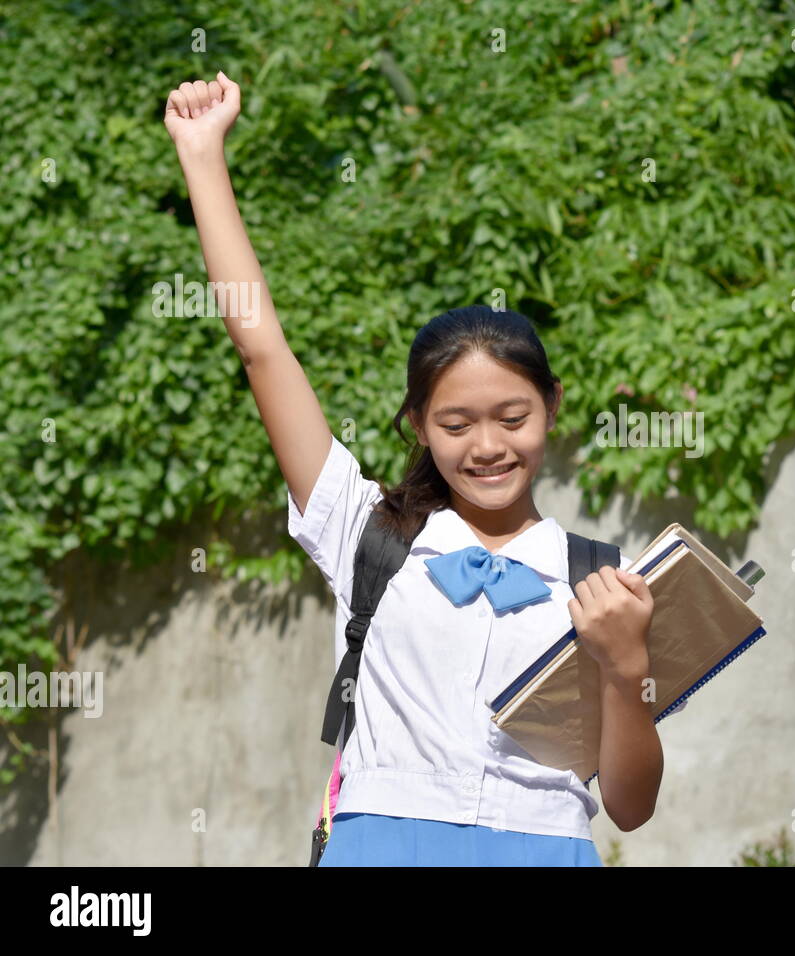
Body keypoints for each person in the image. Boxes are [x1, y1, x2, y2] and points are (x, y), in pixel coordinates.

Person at [163, 73, 684, 865]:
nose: (487, 447)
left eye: (513, 418)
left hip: (543, 849)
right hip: (381, 846)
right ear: (416, 425)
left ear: (552, 407)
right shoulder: (365, 531)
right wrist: (202, 156)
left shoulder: (602, 583)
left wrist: (627, 663)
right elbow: (259, 343)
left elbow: (633, 807)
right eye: (455, 423)